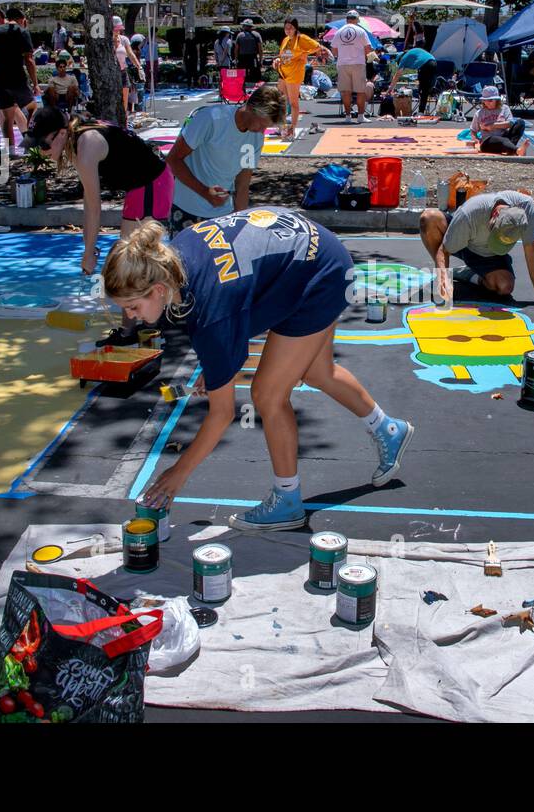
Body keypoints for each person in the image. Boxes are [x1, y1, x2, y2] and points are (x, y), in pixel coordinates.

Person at [105, 214, 415, 531]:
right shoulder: (174, 255)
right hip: (317, 252)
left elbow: (222, 414)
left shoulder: (210, 313)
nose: (131, 316)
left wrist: (179, 472)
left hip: (317, 274)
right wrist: (218, 365)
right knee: (317, 371)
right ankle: (388, 429)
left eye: (133, 307)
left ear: (158, 289)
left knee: (268, 395)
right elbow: (240, 295)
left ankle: (287, 500)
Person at [23, 105, 175, 275]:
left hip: (153, 184)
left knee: (136, 260)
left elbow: (95, 209)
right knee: (130, 259)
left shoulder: (86, 147)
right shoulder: (77, 138)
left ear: (62, 133)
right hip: (140, 186)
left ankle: (171, 295)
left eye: (43, 144)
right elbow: (88, 199)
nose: (42, 152)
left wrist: (88, 254)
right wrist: (88, 247)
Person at [419, 190, 534, 306]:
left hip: (488, 255)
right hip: (461, 240)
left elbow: (532, 251)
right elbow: (443, 250)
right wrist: (443, 282)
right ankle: (446, 277)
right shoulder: (471, 212)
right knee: (429, 218)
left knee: (504, 287)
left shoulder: (527, 208)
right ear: (495, 214)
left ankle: (469, 273)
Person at [166, 84, 284, 231]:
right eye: (261, 124)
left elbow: (243, 183)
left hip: (223, 215)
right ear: (251, 109)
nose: (262, 131)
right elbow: (173, 160)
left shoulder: (256, 138)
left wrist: (240, 221)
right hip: (187, 210)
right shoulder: (211, 119)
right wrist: (204, 191)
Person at [0, 5, 38, 157]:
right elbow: (29, 59)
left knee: (7, 117)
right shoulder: (21, 32)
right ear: (19, 20)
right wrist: (35, 83)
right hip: (17, 76)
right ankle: (29, 145)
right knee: (32, 108)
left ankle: (11, 151)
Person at [273, 17, 330, 138]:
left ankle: (292, 129)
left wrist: (304, 53)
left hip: (294, 74)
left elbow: (317, 47)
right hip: (283, 73)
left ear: (295, 28)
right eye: (286, 28)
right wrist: (277, 60)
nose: (288, 30)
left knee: (293, 103)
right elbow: (283, 55)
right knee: (281, 101)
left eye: (291, 28)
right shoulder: (285, 40)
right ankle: (282, 127)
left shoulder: (301, 38)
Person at [332, 9, 372, 123]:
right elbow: (368, 49)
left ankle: (348, 116)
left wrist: (344, 54)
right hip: (358, 63)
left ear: (346, 19)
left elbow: (334, 51)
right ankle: (360, 116)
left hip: (343, 64)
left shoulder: (339, 32)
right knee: (360, 91)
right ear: (357, 19)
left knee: (345, 91)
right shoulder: (361, 31)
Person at [471, 86, 526, 154]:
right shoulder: (479, 113)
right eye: (485, 100)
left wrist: (493, 126)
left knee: (520, 123)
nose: (487, 103)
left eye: (490, 100)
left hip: (504, 136)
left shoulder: (504, 108)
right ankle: (517, 150)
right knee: (499, 139)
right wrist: (475, 139)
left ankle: (509, 148)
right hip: (488, 142)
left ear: (496, 100)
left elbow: (510, 123)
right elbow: (473, 130)